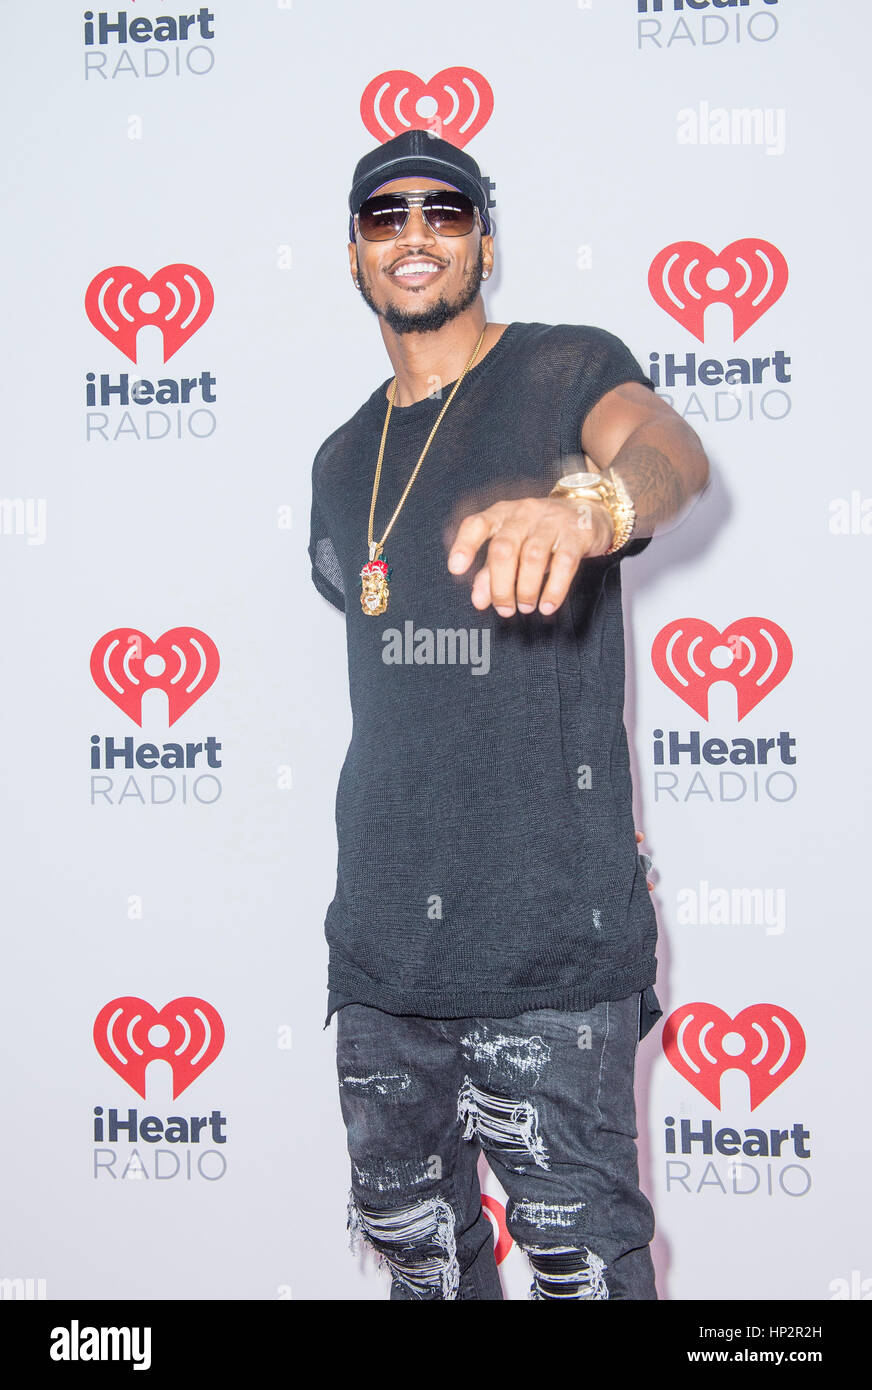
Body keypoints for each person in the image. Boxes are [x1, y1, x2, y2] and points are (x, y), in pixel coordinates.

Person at [308, 129, 709, 1300]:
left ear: (483, 237)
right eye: (386, 215)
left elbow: (666, 451)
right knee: (422, 1268)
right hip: (380, 948)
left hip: (546, 932)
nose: (415, 232)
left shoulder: (562, 368)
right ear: (354, 253)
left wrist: (593, 506)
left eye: (445, 209)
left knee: (580, 1270)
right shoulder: (340, 460)